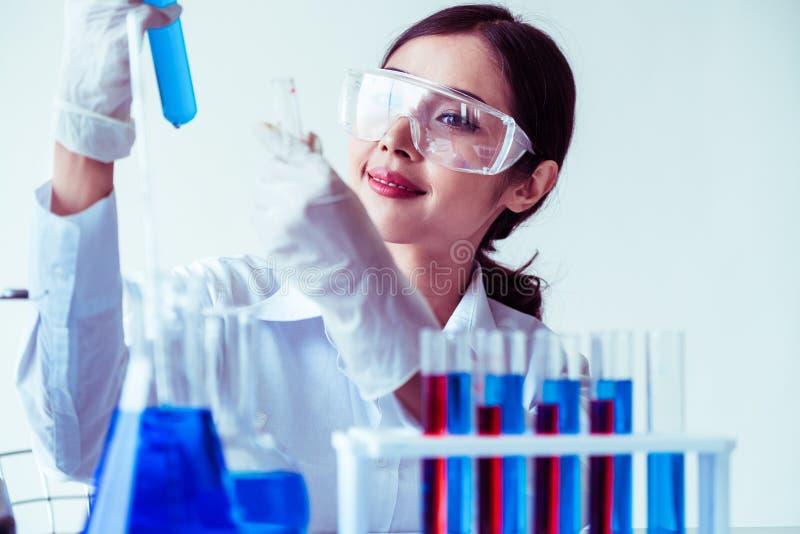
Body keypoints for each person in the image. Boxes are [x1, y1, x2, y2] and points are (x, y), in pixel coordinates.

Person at [16, 1, 576, 531]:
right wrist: (83, 134)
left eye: (454, 118)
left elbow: (523, 508)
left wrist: (365, 295)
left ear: (528, 185)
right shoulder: (219, 309)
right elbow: (74, 445)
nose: (396, 139)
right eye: (388, 99)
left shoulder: (539, 372)